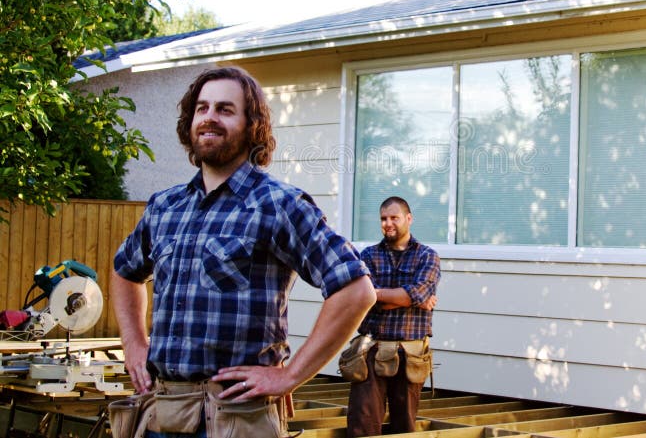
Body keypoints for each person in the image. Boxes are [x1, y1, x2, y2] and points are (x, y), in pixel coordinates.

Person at [109, 66, 375, 438]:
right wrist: (134, 344)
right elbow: (125, 272)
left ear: (253, 126)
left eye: (224, 109)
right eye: (201, 108)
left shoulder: (278, 205)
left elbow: (355, 290)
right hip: (160, 412)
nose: (209, 118)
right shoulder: (164, 207)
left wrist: (290, 375)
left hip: (236, 418)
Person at [345, 196, 440, 437]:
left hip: (410, 354)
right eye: (383, 219)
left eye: (394, 218)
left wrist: (378, 296)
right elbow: (362, 298)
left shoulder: (427, 256)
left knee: (405, 428)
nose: (388, 223)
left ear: (409, 219)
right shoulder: (367, 256)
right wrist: (409, 300)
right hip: (371, 351)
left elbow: (416, 293)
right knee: (362, 425)